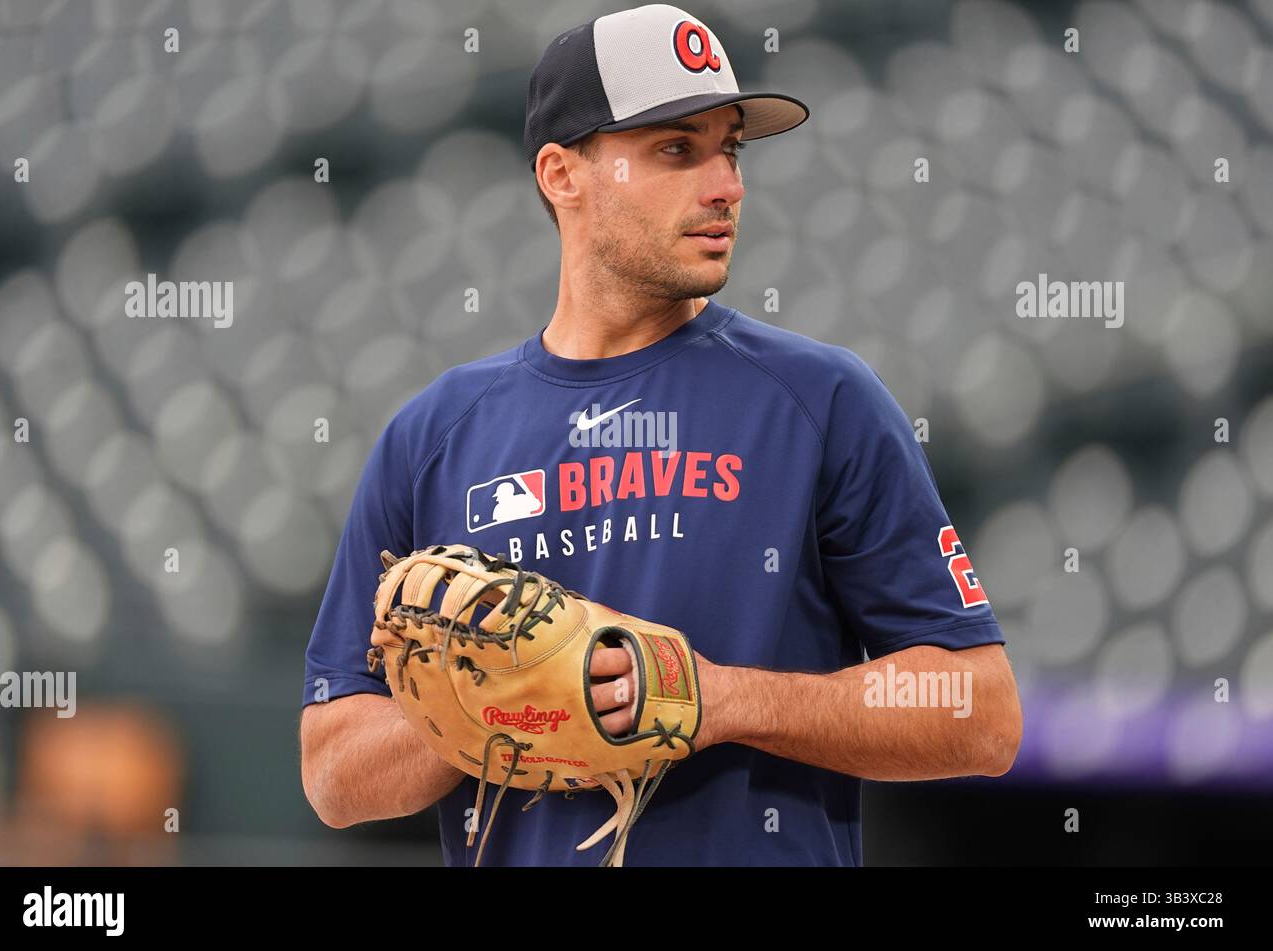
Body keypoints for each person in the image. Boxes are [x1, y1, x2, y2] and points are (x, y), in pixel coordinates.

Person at [300, 3, 1022, 866]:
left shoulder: (819, 399)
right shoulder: (433, 436)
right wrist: (498, 706)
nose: (726, 184)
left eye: (731, 148)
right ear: (562, 174)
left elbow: (980, 712)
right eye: (678, 149)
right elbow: (332, 774)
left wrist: (720, 701)